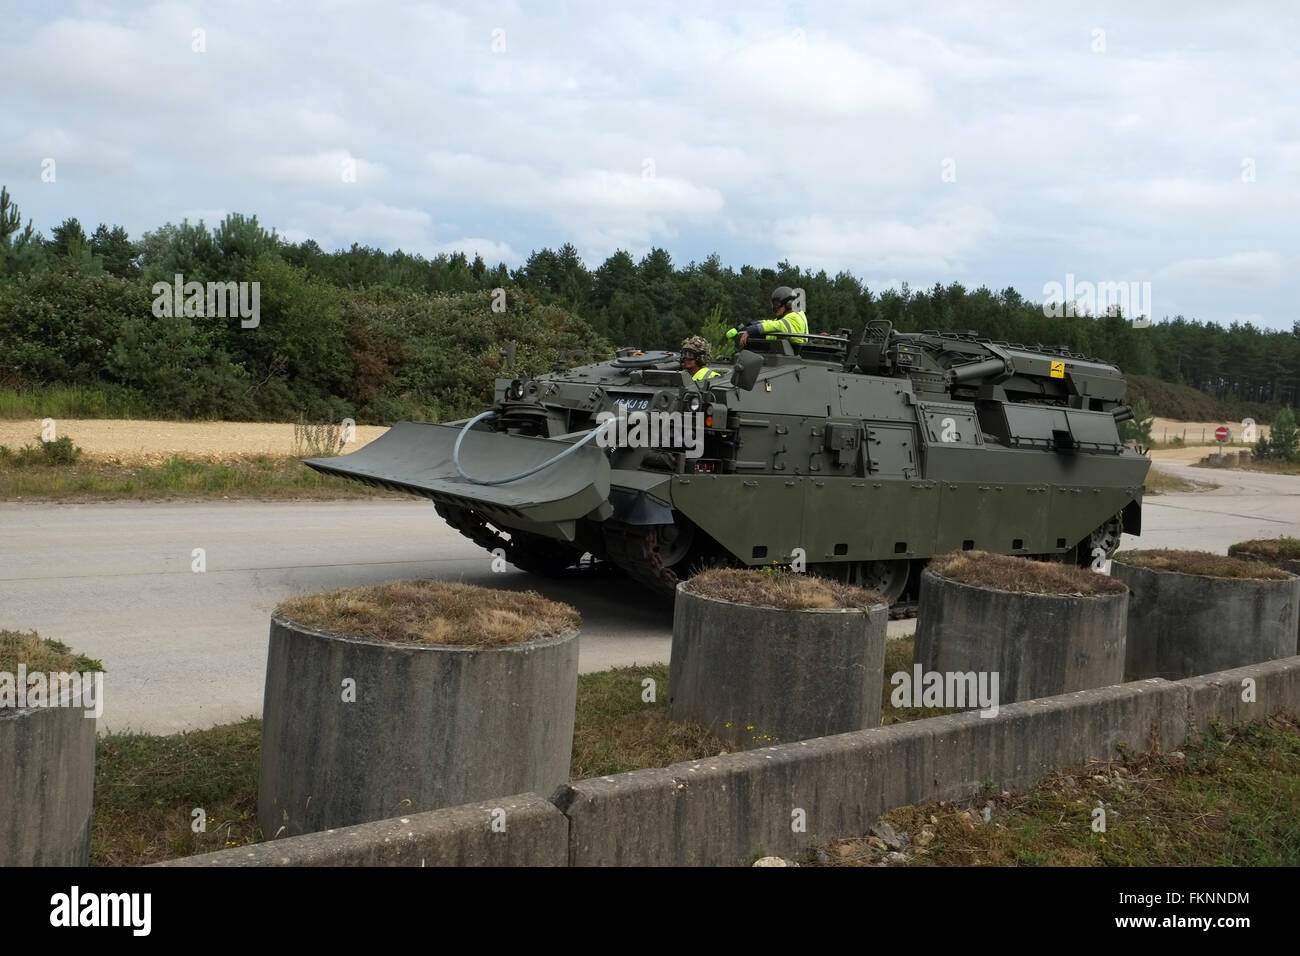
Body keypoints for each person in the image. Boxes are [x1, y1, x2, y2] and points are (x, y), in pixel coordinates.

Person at [730, 286, 809, 348]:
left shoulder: (795, 317)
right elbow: (771, 323)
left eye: (777, 304)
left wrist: (750, 331)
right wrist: (749, 325)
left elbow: (776, 325)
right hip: (787, 353)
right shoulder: (790, 316)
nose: (775, 308)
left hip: (794, 355)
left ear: (789, 304)